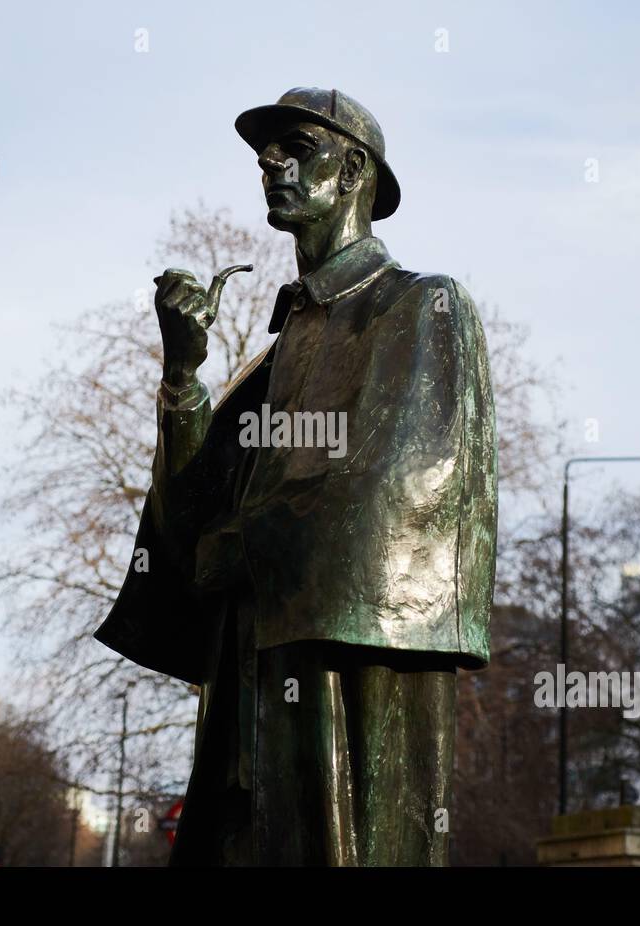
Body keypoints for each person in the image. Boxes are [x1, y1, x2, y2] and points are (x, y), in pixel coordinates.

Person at [96, 87, 496, 865]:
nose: (271, 164)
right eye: (263, 155)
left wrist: (243, 547)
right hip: (245, 685)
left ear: (353, 172)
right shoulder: (268, 364)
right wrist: (183, 376)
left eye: (295, 149)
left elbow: (408, 486)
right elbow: (187, 528)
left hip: (340, 672)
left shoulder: (418, 307)